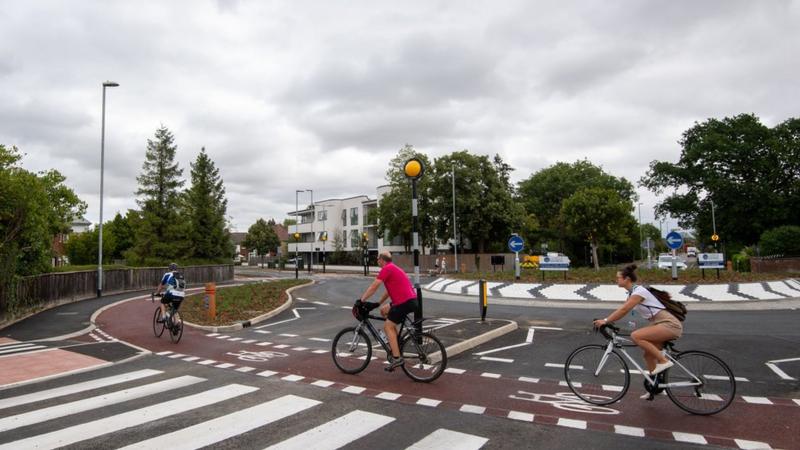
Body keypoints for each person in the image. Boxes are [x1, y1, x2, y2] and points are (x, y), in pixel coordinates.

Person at [593, 264, 682, 377]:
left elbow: (624, 310)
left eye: (618, 277)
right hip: (659, 324)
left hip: (669, 325)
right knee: (648, 356)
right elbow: (623, 310)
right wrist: (609, 321)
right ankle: (654, 384)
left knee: (636, 336)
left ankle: (663, 361)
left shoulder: (639, 292)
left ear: (627, 279)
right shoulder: (633, 293)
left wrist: (605, 321)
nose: (616, 280)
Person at [359, 250, 419, 371]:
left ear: (382, 260)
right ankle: (396, 342)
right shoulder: (393, 268)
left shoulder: (386, 269)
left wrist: (361, 300)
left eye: (377, 259)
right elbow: (389, 290)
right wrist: (378, 303)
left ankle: (397, 358)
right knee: (384, 311)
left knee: (388, 327)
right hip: (408, 300)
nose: (377, 261)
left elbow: (374, 287)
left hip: (404, 302)